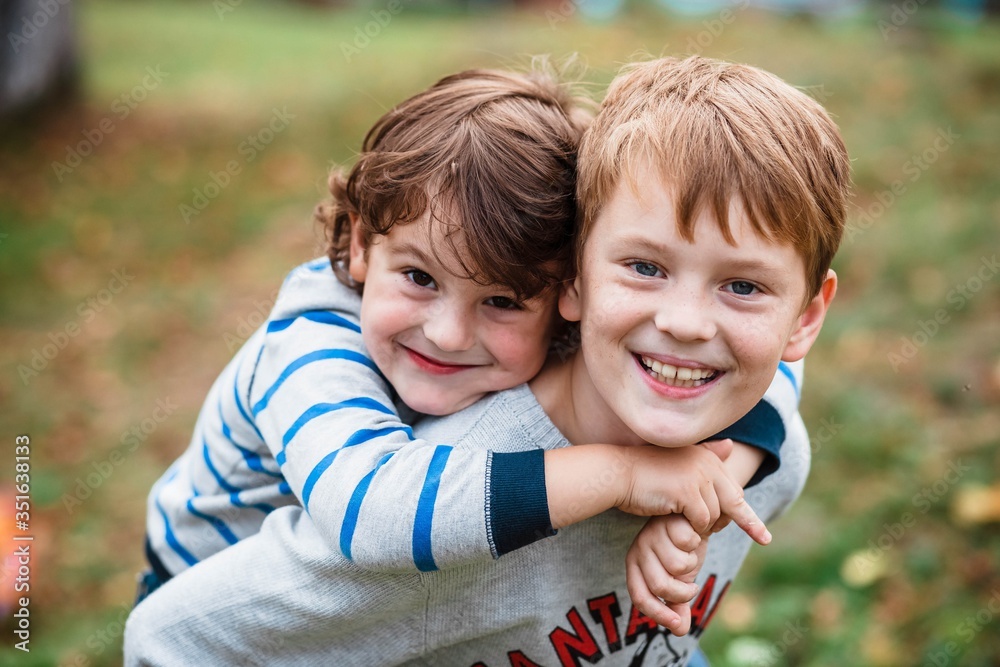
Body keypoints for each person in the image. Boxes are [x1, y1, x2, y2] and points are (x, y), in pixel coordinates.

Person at [125, 54, 849, 665]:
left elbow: (772, 371)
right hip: (239, 578)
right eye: (646, 268)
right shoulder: (314, 351)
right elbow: (373, 512)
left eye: (503, 298)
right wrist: (629, 474)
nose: (446, 333)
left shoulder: (639, 357)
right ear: (357, 248)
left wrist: (720, 475)